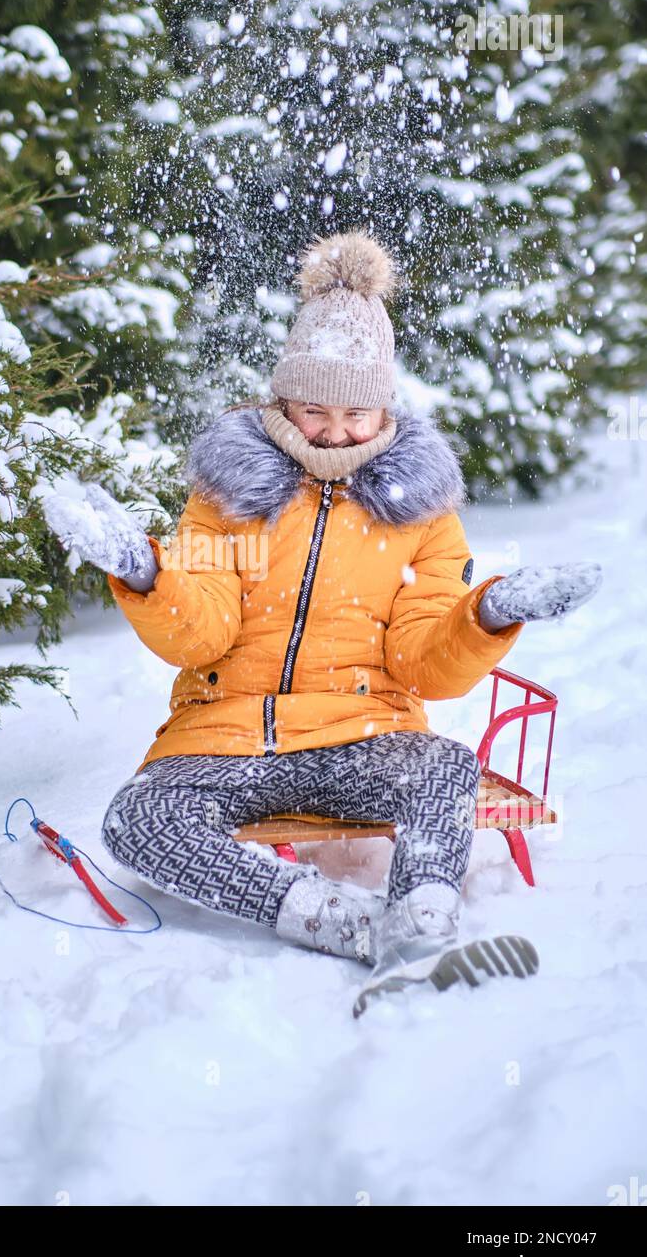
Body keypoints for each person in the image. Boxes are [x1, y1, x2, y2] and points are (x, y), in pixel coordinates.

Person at [44, 229, 602, 1017]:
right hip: (224, 741)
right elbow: (199, 632)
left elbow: (424, 666)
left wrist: (488, 613)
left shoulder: (421, 513)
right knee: (138, 818)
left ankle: (422, 923)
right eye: (314, 411)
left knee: (444, 768)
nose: (336, 433)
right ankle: (340, 922)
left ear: (385, 406)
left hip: (362, 739)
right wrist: (145, 569)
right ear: (282, 401)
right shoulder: (227, 494)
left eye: (356, 413)